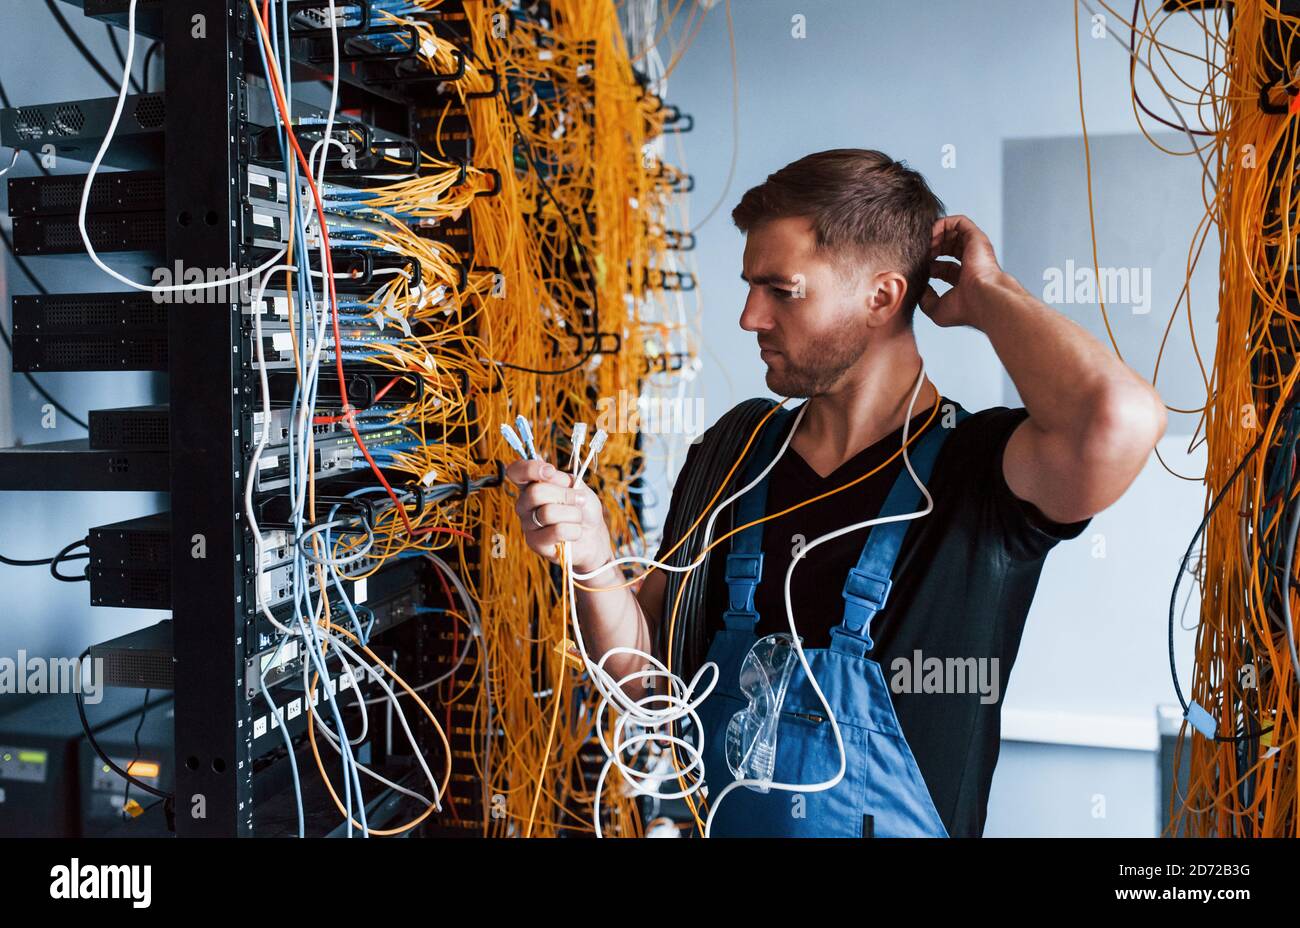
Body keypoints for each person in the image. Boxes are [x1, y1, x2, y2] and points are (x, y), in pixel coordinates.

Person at [505, 149, 1166, 837]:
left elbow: (1121, 419)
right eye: (749, 286)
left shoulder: (981, 472)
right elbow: (646, 679)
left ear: (881, 297)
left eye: (781, 290)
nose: (750, 318)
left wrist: (991, 295)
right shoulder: (733, 457)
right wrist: (590, 559)